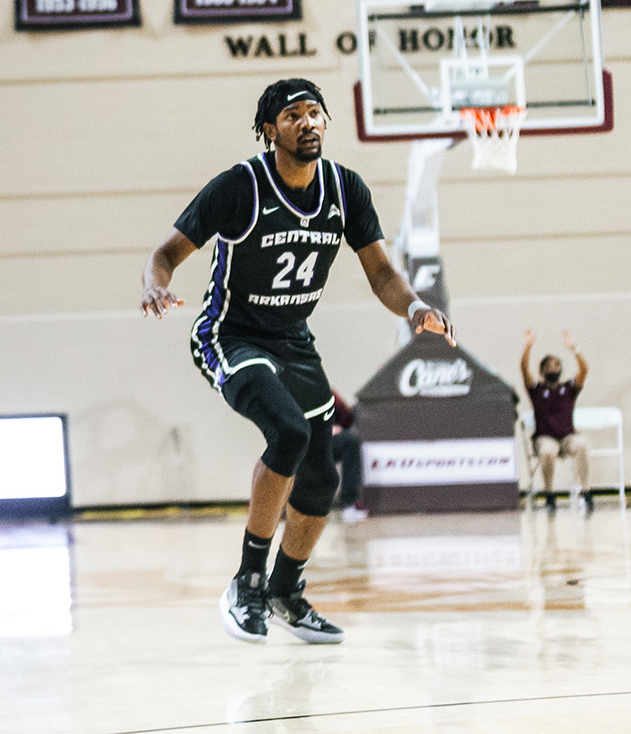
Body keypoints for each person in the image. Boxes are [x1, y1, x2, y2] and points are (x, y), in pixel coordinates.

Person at [141, 78, 453, 647]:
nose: (308, 123)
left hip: (293, 340)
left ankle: (286, 590)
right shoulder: (240, 186)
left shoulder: (344, 188)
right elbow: (165, 254)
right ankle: (247, 582)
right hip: (230, 335)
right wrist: (155, 286)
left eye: (316, 113)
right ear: (269, 131)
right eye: (293, 116)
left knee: (321, 477)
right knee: (287, 433)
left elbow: (381, 273)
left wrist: (412, 307)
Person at [523, 329, 592, 512]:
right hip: (546, 438)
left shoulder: (569, 388)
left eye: (557, 365)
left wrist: (574, 349)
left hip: (567, 438)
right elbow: (524, 369)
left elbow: (584, 370)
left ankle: (586, 492)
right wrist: (528, 346)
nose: (553, 368)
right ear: (542, 370)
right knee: (547, 451)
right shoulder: (536, 389)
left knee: (582, 444)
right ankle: (549, 494)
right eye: (549, 365)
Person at [329, 391, 366, 523]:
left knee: (351, 441)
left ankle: (350, 503)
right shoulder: (291, 392)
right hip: (306, 438)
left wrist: (337, 427)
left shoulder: (329, 393)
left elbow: (346, 417)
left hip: (328, 440)